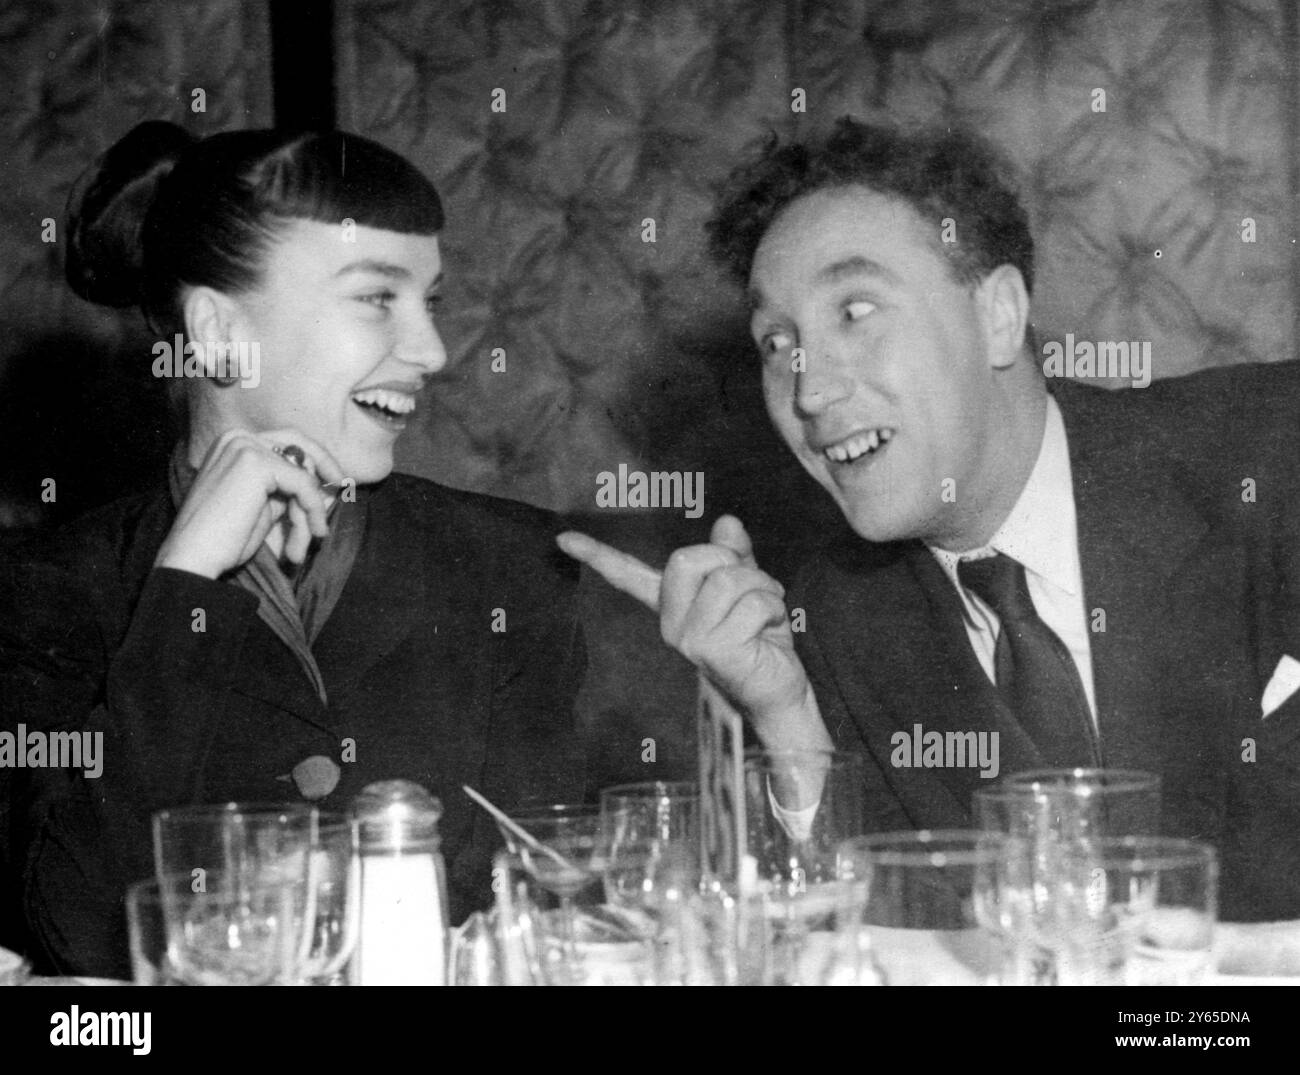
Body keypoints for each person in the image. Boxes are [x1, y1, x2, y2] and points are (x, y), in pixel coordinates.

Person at [560, 117, 1300, 922]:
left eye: (855, 311)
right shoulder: (837, 616)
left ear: (999, 315)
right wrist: (785, 716)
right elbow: (869, 944)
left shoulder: (1270, 452)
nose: (809, 392)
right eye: (779, 342)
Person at [0, 122, 586, 977]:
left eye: (431, 301)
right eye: (378, 298)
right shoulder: (48, 594)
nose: (432, 350)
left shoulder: (515, 566)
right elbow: (85, 936)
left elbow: (566, 903)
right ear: (215, 328)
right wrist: (186, 582)